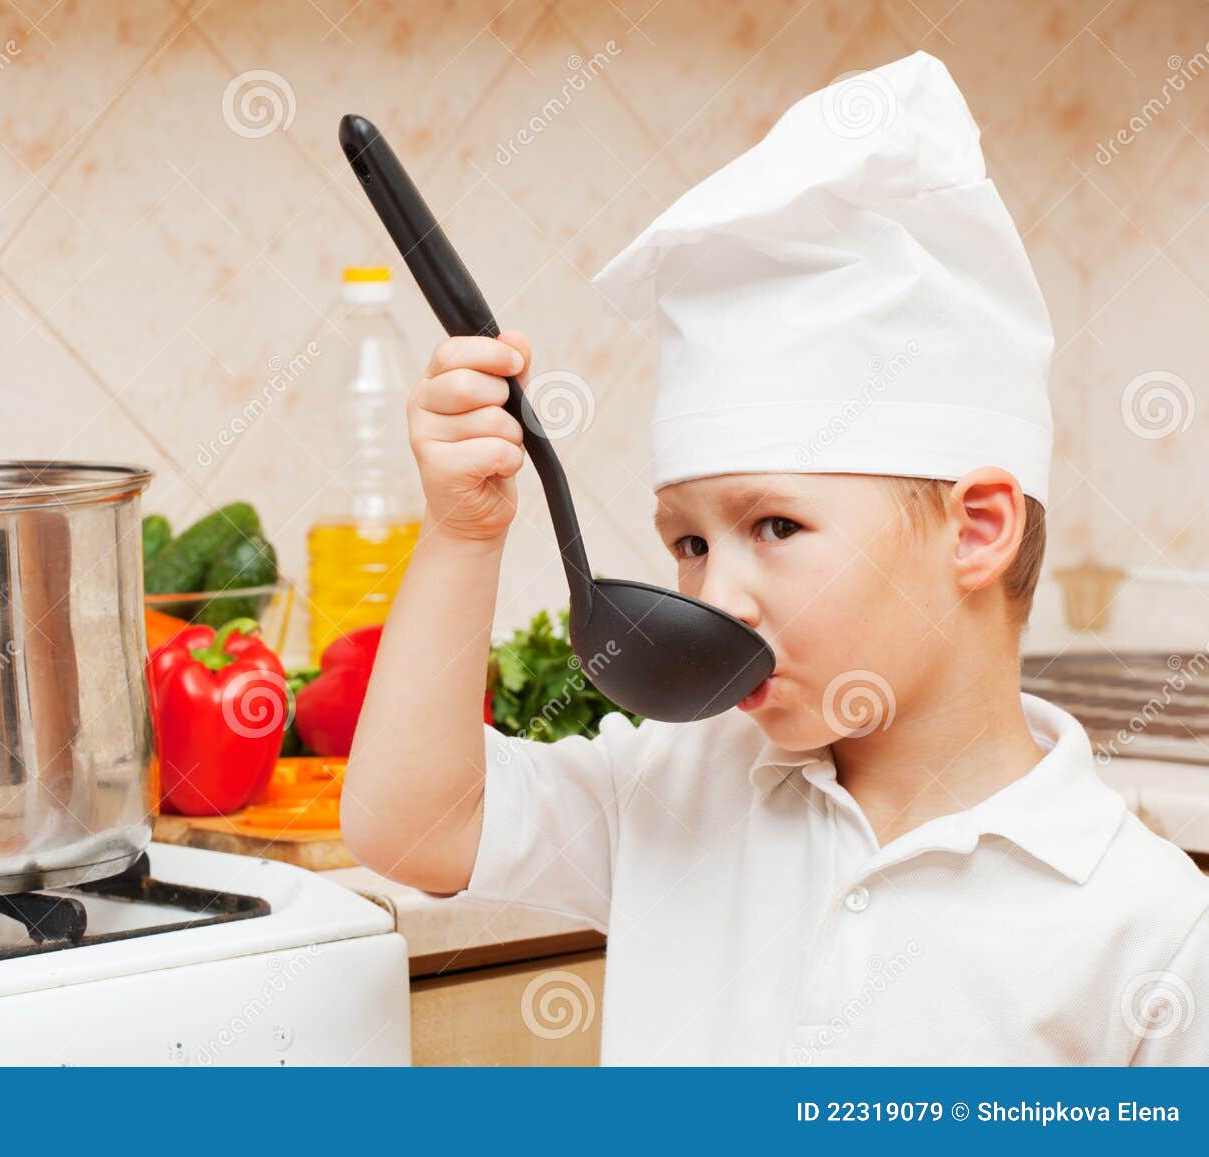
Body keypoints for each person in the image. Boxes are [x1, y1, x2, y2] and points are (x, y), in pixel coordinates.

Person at [341, 51, 1209, 1065]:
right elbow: (410, 826)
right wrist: (462, 532)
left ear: (977, 529)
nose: (717, 595)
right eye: (689, 543)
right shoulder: (674, 788)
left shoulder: (1143, 922)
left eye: (776, 528)